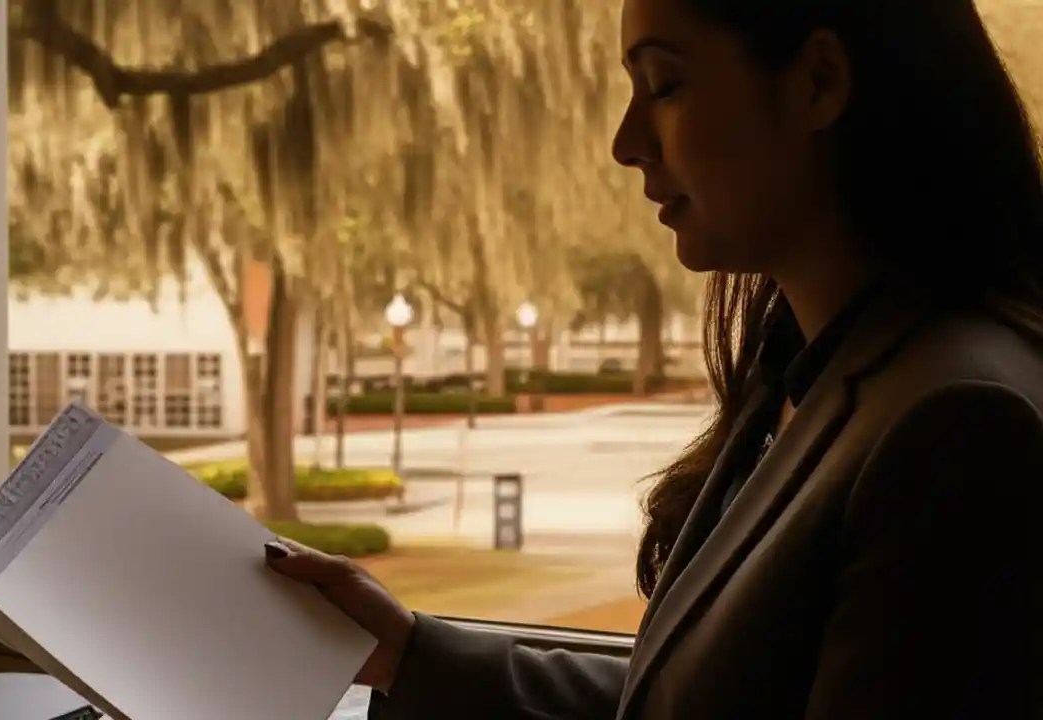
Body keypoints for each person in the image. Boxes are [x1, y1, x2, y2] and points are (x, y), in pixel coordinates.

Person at [266, 0, 1043, 716]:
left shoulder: (957, 430)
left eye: (664, 85)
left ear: (817, 83)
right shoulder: (808, 375)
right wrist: (410, 654)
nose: (626, 143)